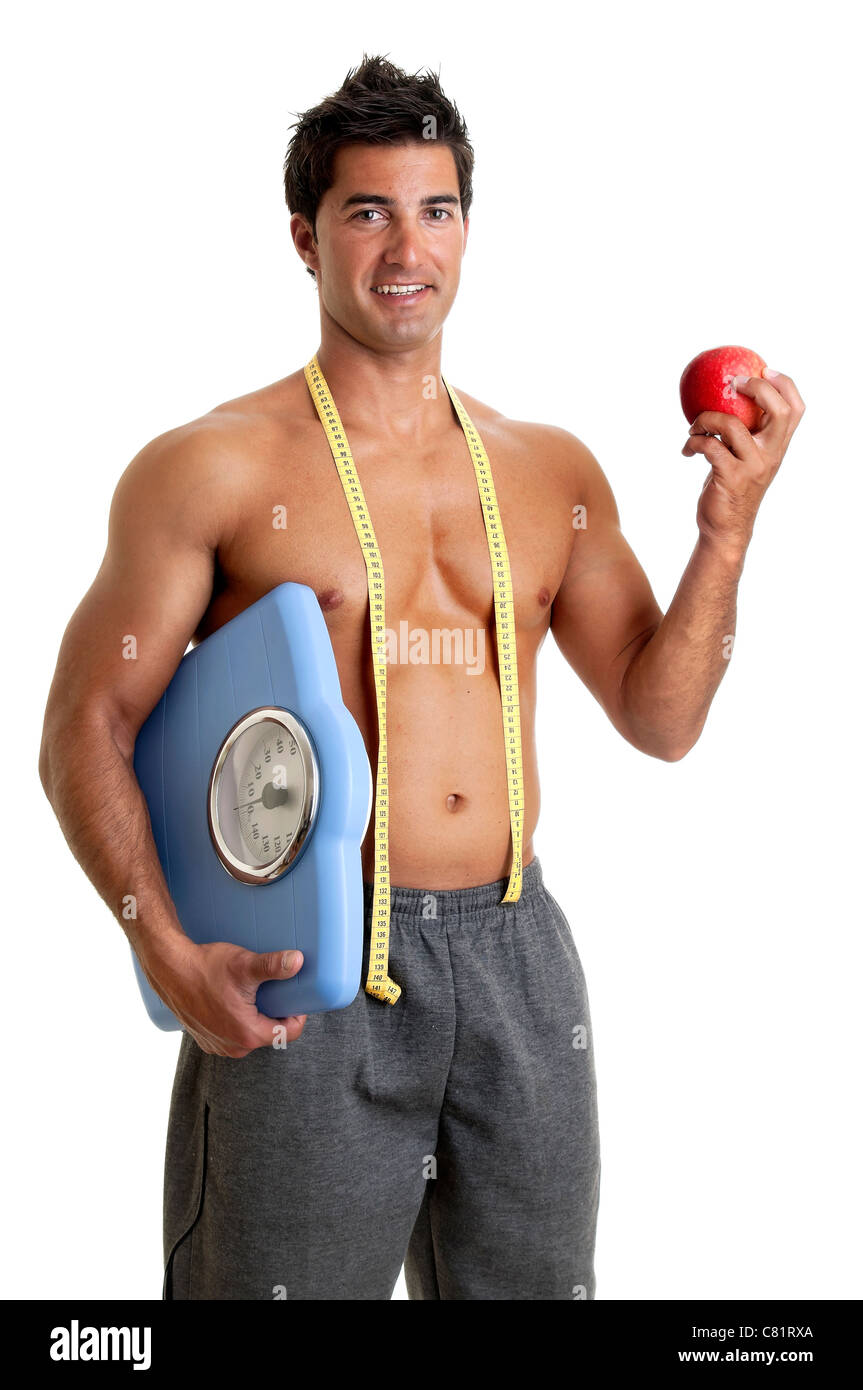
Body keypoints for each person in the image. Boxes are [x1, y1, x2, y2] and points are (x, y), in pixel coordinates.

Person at [38, 54, 805, 1301]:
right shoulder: (207, 468)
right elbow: (85, 723)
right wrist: (166, 948)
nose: (407, 247)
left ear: (467, 229)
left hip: (515, 951)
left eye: (435, 209)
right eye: (367, 211)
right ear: (304, 237)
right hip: (308, 962)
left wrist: (725, 532)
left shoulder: (547, 470)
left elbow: (661, 719)